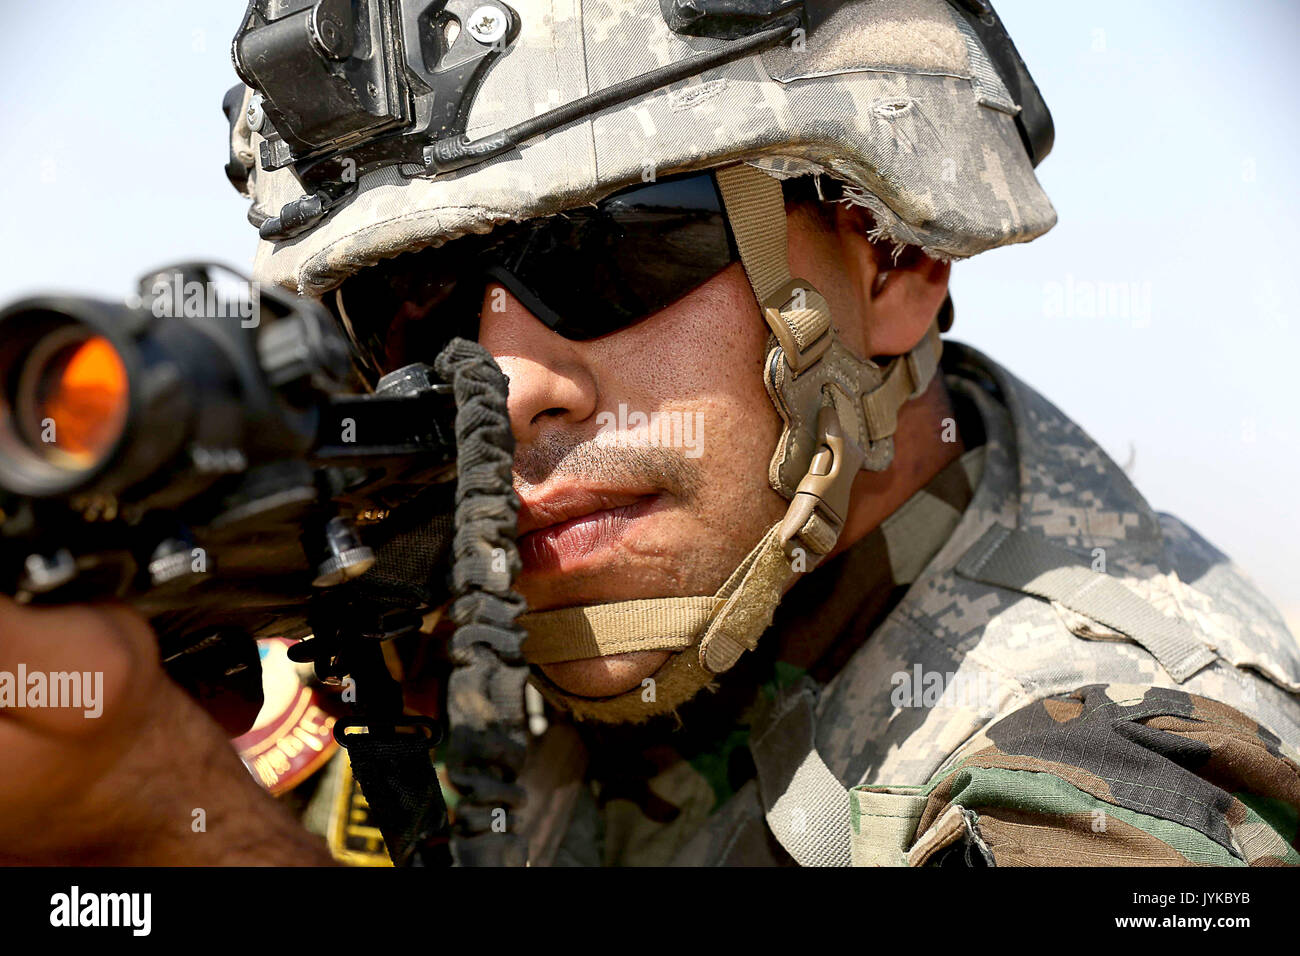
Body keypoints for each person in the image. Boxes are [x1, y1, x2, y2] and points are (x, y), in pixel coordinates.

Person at [3, 0, 1296, 867]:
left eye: (609, 254)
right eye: (417, 302)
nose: (510, 389)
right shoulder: (407, 618)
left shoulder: (1118, 769)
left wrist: (170, 825)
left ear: (891, 260)